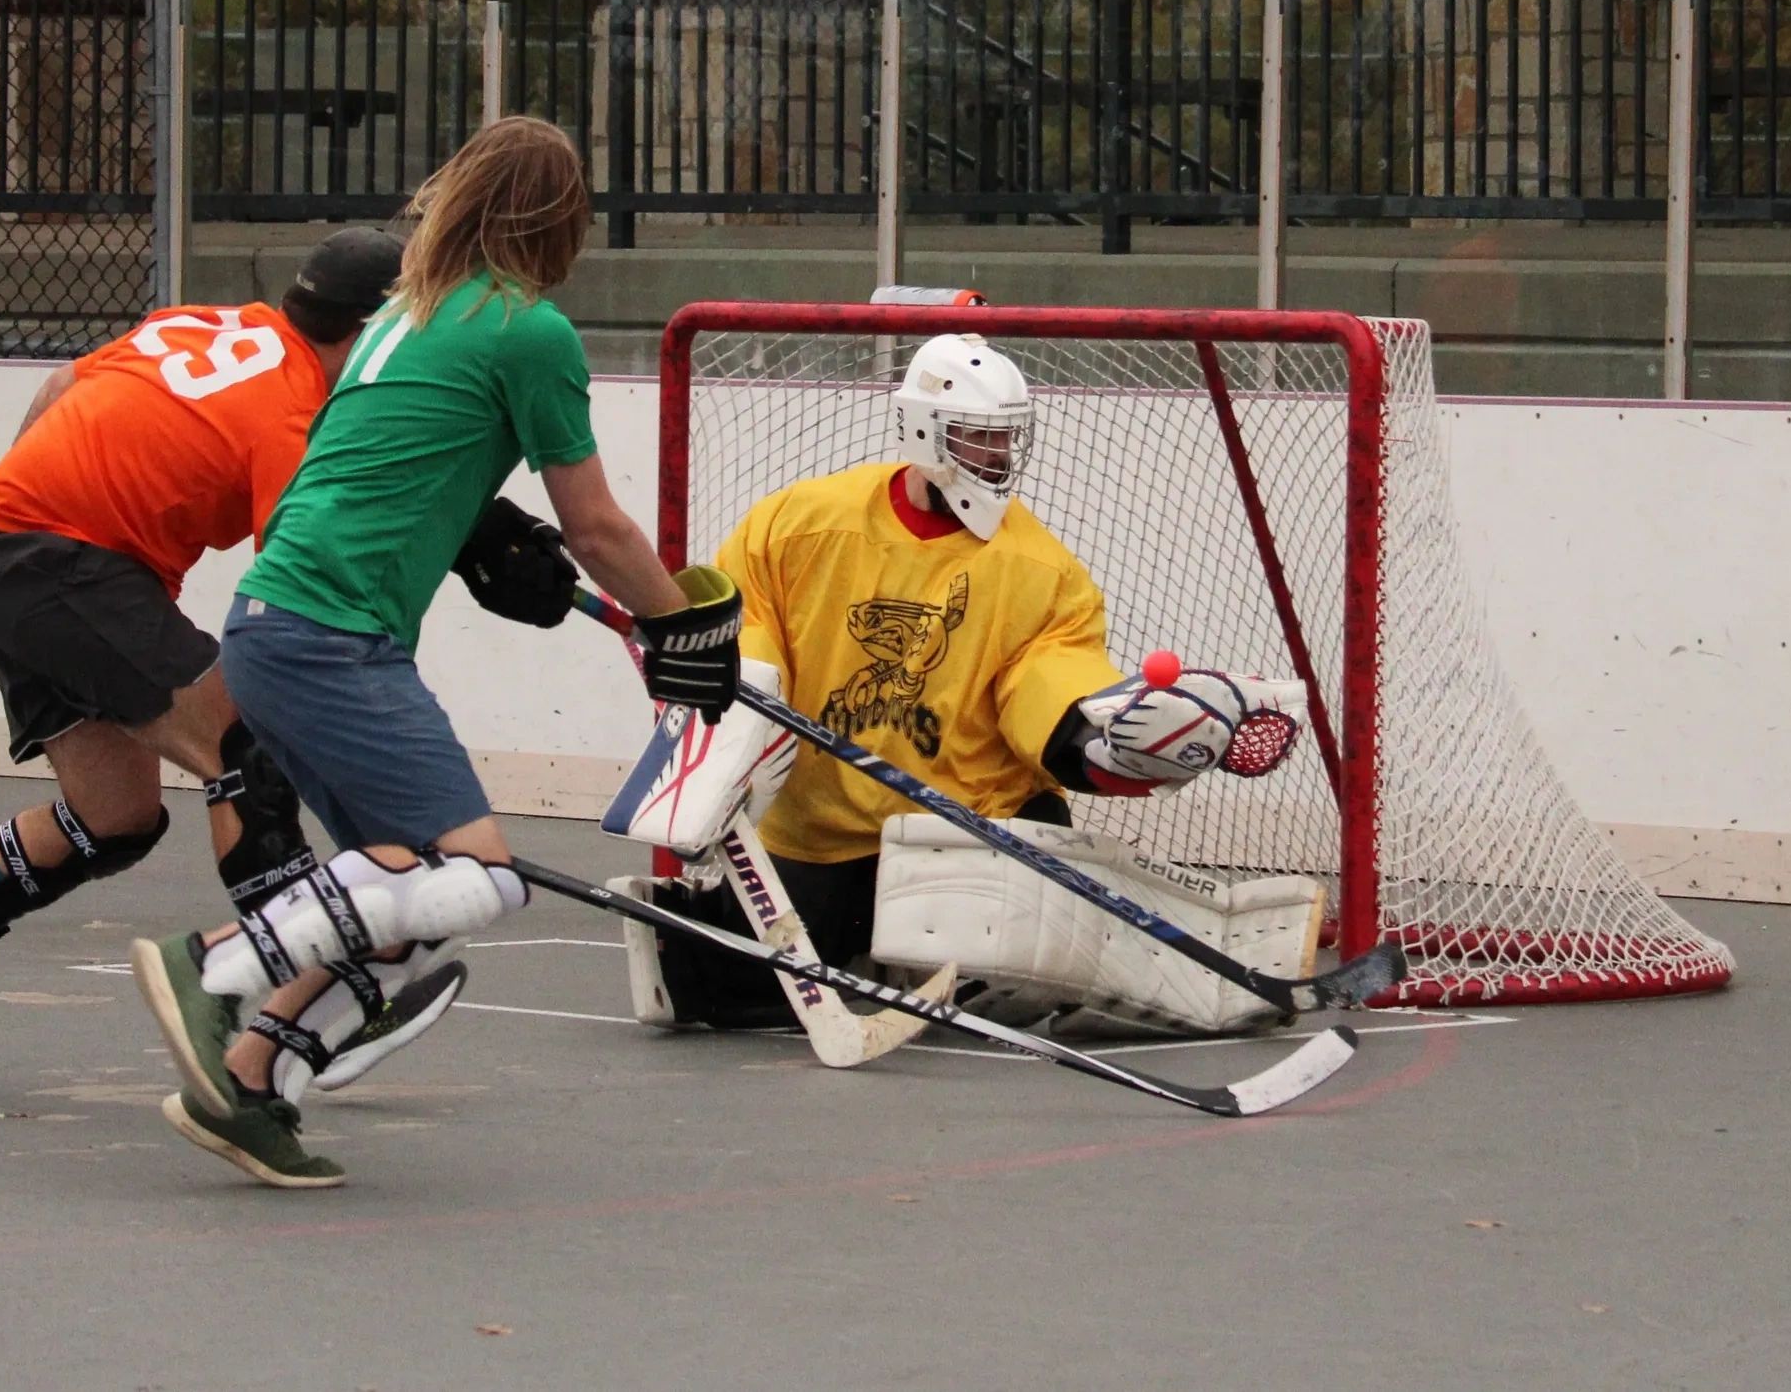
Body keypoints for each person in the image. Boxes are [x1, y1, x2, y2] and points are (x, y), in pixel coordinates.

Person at [131, 116, 743, 1189]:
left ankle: (249, 1084)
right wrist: (679, 623)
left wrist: (485, 533)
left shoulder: (400, 317)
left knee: (411, 909)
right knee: (475, 879)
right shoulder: (529, 332)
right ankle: (220, 968)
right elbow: (598, 526)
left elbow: (383, 456)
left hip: (281, 627)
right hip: (332, 638)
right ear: (563, 223)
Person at [605, 331, 1321, 1037]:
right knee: (711, 987)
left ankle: (914, 954)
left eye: (1007, 439)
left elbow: (1049, 680)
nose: (1000, 457)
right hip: (821, 831)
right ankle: (864, 950)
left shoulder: (1041, 571)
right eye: (981, 437)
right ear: (924, 430)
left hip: (971, 832)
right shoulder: (799, 525)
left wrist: (1103, 742)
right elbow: (747, 634)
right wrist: (735, 737)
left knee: (1017, 984)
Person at [0, 229, 420, 1085]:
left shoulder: (206, 325)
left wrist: (29, 502)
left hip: (1, 551)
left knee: (113, 817)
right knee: (242, 751)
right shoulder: (295, 409)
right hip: (63, 571)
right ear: (369, 332)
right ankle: (315, 998)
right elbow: (302, 591)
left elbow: (61, 384)